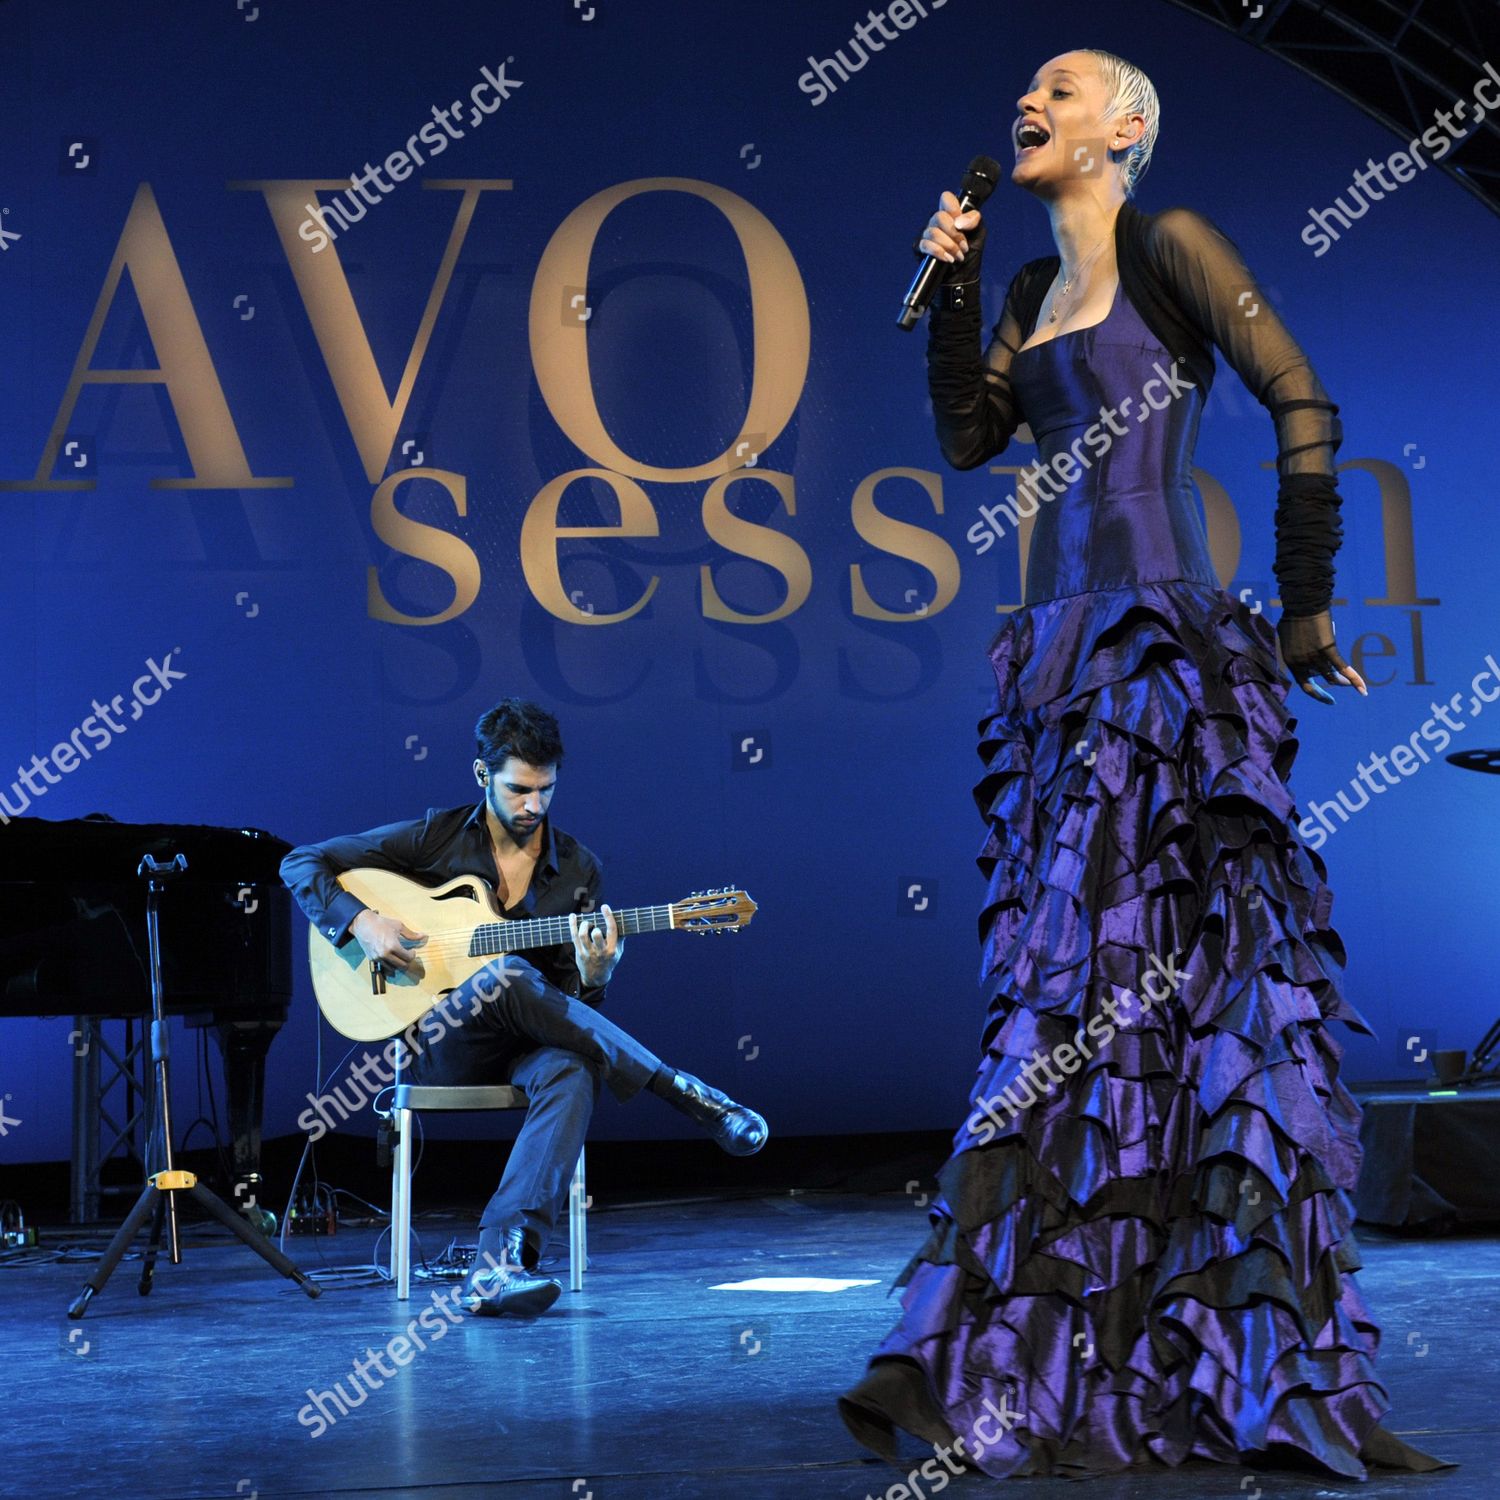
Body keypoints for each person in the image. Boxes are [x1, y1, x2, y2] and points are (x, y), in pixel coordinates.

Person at [839, 48, 1455, 1481]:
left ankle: (1227, 1345)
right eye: (1026, 85)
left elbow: (1305, 404)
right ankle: (1073, 1342)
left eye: (1061, 86)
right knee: (1077, 996)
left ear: (1127, 128)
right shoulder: (1021, 292)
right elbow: (967, 436)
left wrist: (1303, 607)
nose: (1030, 99)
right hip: (1056, 667)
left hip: (1161, 652)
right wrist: (946, 288)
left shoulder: (1171, 244)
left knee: (1191, 987)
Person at [281, 698, 768, 1317]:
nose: (533, 806)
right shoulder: (436, 836)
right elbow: (299, 861)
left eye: (546, 790)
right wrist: (363, 921)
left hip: (524, 1047)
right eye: (518, 790)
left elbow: (568, 1011)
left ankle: (498, 1265)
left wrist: (595, 976)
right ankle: (680, 1090)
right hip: (439, 1042)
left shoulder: (580, 869)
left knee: (572, 1067)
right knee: (504, 974)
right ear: (483, 775)